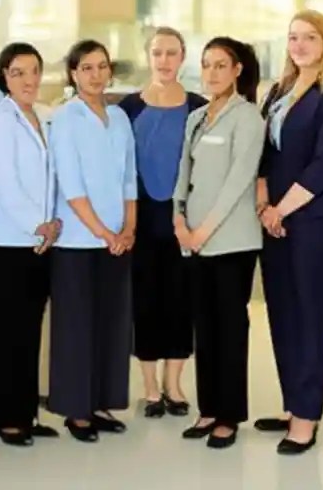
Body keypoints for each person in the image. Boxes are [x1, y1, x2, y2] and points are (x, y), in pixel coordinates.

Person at [254, 10, 323, 455]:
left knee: (311, 313)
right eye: (294, 37)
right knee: (281, 311)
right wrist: (265, 206)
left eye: (310, 37)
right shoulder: (278, 91)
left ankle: (307, 415)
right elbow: (263, 155)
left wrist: (281, 208)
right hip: (274, 218)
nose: (299, 45)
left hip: (316, 217)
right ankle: (292, 402)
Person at [173, 37, 265, 450]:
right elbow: (183, 172)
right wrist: (178, 218)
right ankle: (208, 408)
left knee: (229, 329)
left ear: (237, 70)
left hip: (230, 242)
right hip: (193, 239)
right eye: (207, 64)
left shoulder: (247, 118)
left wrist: (203, 230)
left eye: (220, 65)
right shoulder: (196, 117)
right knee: (204, 328)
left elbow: (237, 182)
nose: (211, 73)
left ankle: (228, 415)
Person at [48, 39, 138, 442]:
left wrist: (128, 229)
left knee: (111, 325)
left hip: (118, 240)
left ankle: (102, 402)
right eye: (87, 67)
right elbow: (71, 185)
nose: (96, 74)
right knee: (76, 327)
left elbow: (129, 178)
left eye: (102, 66)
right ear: (73, 74)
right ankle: (77, 411)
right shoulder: (66, 118)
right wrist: (103, 233)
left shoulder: (118, 118)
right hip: (78, 240)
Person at [117, 27, 206, 418]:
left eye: (172, 53)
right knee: (145, 301)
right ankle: (151, 387)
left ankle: (174, 384)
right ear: (148, 56)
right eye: (158, 53)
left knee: (182, 301)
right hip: (141, 220)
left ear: (182, 57)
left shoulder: (199, 108)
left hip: (184, 220)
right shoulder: (127, 109)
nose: (164, 60)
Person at [0, 42, 62, 446]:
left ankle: (27, 412)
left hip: (42, 241)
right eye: (18, 73)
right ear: (4, 78)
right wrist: (38, 225)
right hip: (9, 243)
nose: (28, 80)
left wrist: (52, 224)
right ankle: (7, 418)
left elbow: (54, 177)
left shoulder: (45, 116)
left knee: (30, 332)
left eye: (33, 71)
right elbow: (4, 183)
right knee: (10, 334)